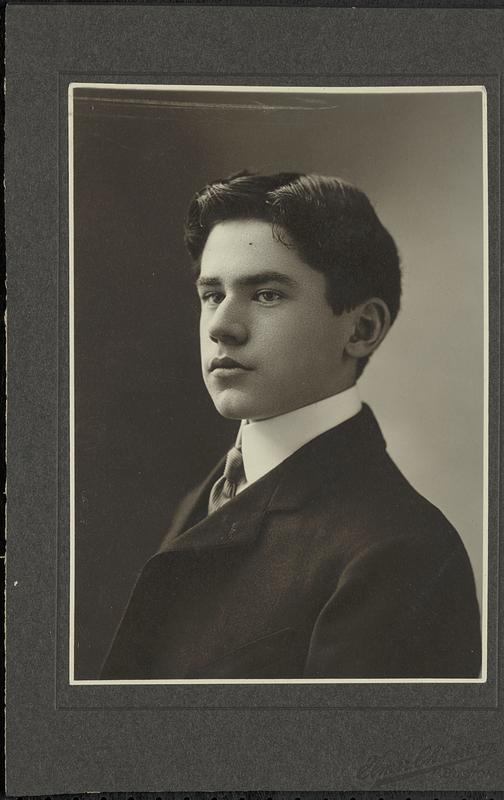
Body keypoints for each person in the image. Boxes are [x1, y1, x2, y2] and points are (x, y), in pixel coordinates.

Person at [101, 171, 481, 680]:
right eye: (212, 294)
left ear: (362, 328)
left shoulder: (402, 555)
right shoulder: (207, 495)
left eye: (267, 295)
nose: (220, 326)